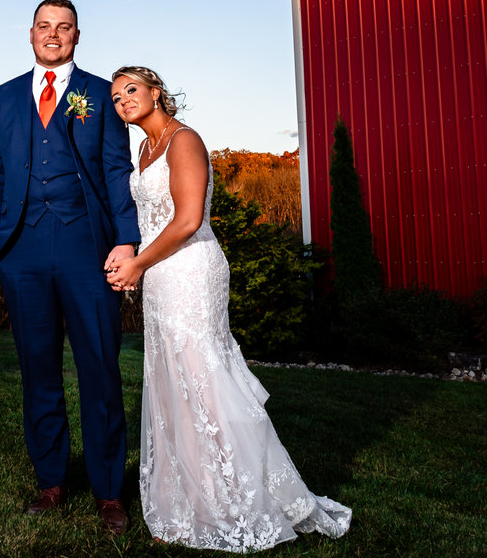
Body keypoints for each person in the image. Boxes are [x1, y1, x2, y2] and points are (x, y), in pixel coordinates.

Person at [104, 66, 353, 551]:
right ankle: (194, 501)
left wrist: (137, 265)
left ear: (157, 93)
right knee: (175, 385)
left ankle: (246, 501)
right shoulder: (143, 149)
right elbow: (149, 219)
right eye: (115, 98)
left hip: (191, 271)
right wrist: (128, 253)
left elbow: (188, 219)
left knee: (208, 383)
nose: (123, 101)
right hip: (160, 276)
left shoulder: (184, 141)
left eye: (131, 90)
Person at [0, 0, 141, 535]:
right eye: (44, 26)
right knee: (38, 369)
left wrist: (127, 240)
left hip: (86, 249)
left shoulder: (97, 93)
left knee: (100, 368)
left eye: (63, 27)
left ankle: (108, 490)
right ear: (30, 35)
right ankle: (51, 479)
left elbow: (117, 170)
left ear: (77, 35)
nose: (53, 34)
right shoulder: (2, 98)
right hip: (22, 250)